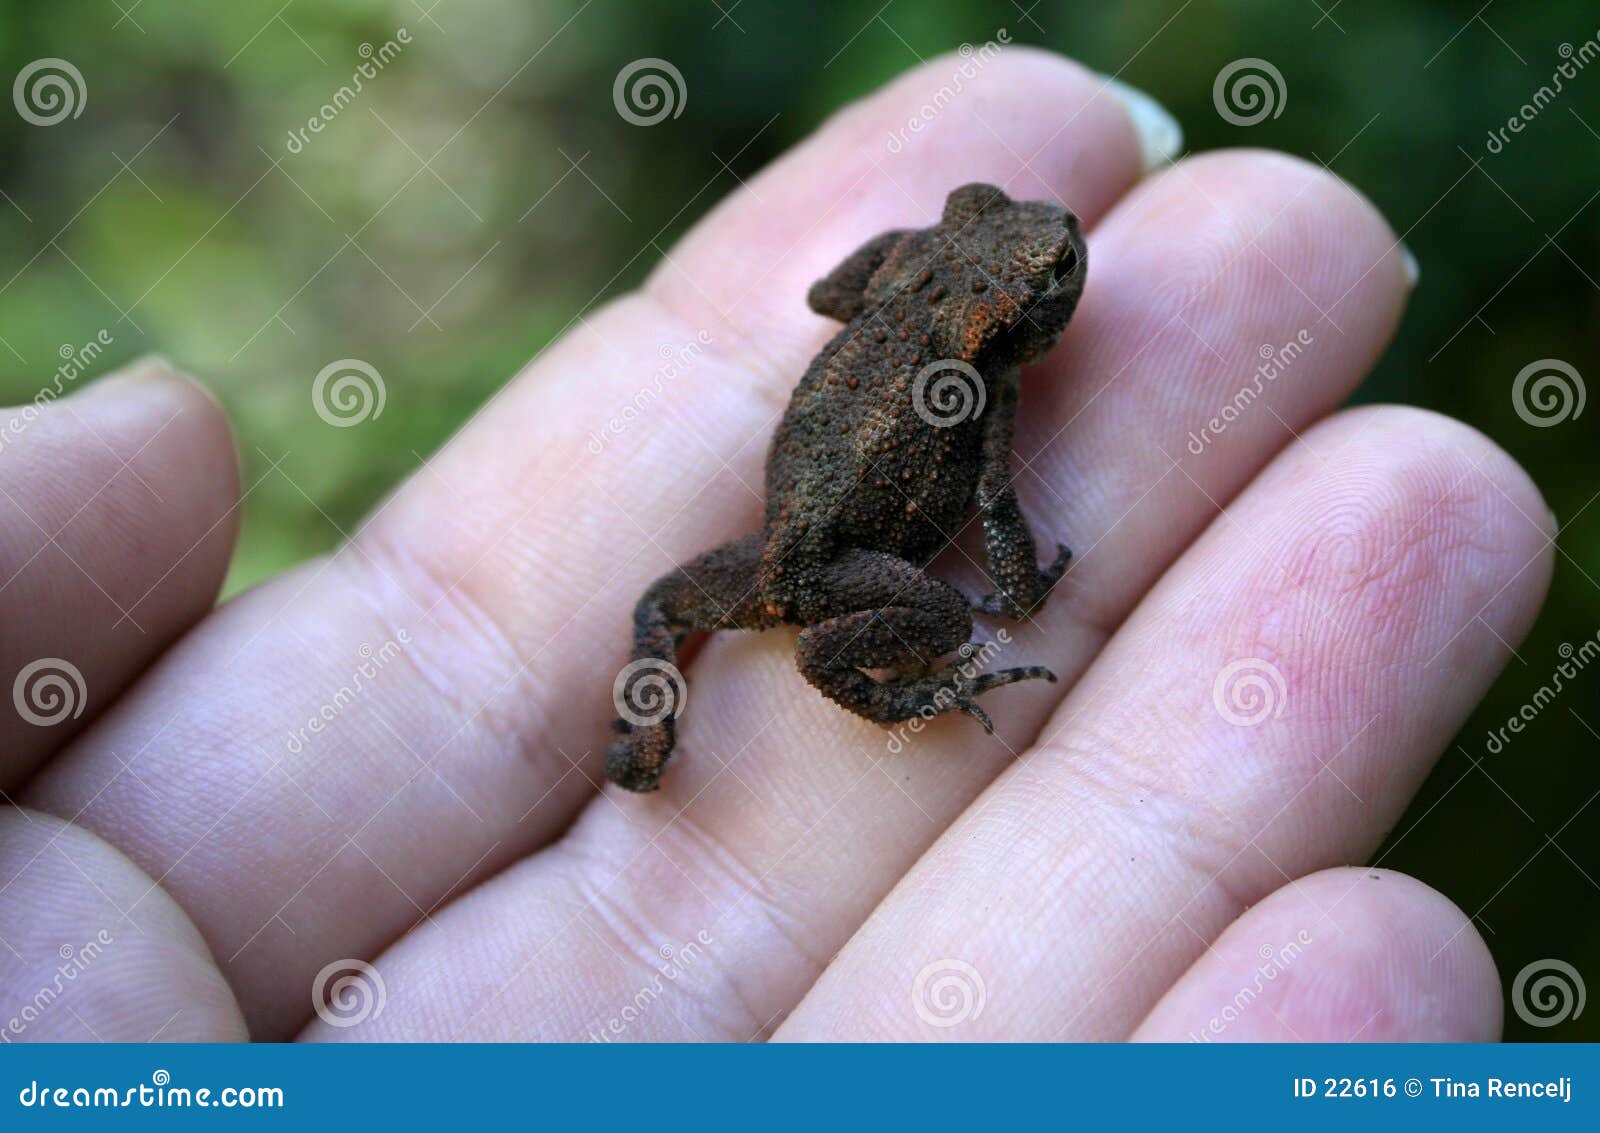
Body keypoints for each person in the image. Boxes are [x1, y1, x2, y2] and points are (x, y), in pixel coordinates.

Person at [0, 49, 1549, 1042]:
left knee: (672, 598)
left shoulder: (920, 326)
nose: (1044, 256)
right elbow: (1001, 554)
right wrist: (998, 618)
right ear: (1010, 322)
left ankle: (652, 719)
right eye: (1004, 245)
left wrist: (904, 273)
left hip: (789, 522)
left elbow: (835, 306)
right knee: (851, 623)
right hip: (823, 561)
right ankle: (760, 713)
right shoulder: (981, 394)